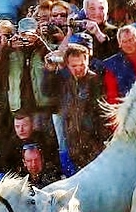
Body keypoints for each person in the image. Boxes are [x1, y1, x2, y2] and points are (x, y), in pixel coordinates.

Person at [43, 43, 111, 175]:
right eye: (74, 66)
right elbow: (46, 91)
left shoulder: (95, 81)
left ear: (87, 61)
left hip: (92, 142)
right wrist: (49, 71)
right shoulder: (64, 78)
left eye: (82, 65)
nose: (79, 69)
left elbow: (101, 113)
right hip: (70, 140)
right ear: (67, 65)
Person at [103, 25, 136, 105]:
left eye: (130, 40)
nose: (128, 45)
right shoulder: (112, 64)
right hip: (128, 108)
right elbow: (112, 96)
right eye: (124, 41)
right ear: (119, 44)